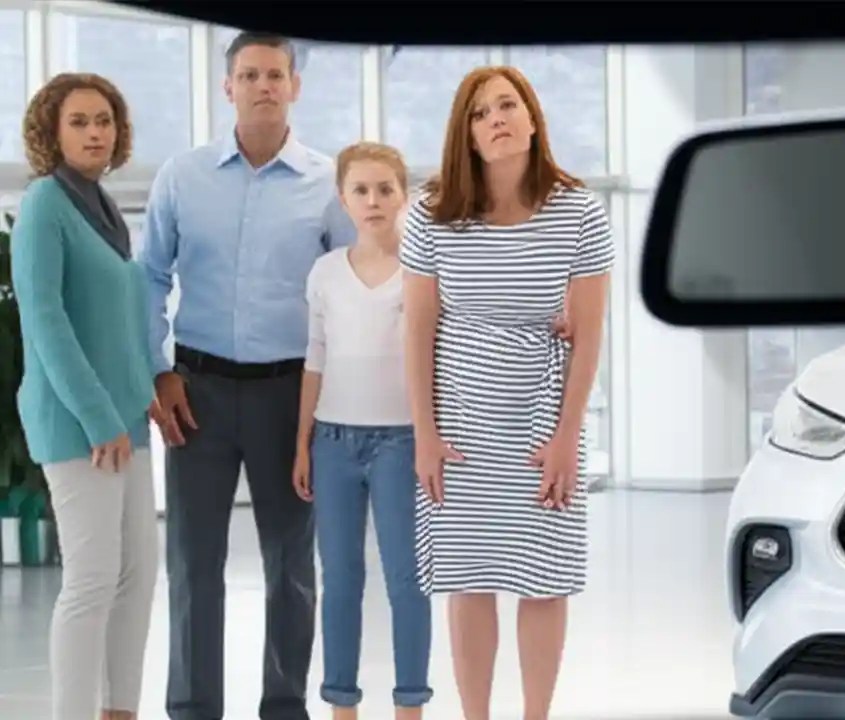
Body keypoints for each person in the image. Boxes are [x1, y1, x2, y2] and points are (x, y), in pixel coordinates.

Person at [139, 31, 357, 720]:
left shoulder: (330, 183)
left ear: (295, 86)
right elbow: (149, 277)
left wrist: (333, 402)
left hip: (290, 397)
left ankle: (283, 705)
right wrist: (157, 369)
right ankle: (193, 707)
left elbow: (350, 291)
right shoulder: (183, 174)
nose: (263, 85)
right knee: (192, 564)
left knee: (290, 565)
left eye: (275, 74)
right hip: (194, 392)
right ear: (228, 86)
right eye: (249, 74)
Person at [400, 65, 615, 720]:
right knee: (468, 581)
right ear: (464, 133)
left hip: (541, 427)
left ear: (531, 118)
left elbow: (587, 337)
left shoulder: (580, 211)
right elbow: (418, 333)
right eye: (479, 112)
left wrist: (565, 438)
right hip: (459, 430)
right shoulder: (432, 214)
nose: (496, 119)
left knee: (544, 580)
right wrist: (426, 436)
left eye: (507, 106)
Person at [10, 72, 159, 720]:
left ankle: (118, 710)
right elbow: (44, 320)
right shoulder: (45, 203)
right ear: (51, 132)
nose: (96, 132)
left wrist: (144, 394)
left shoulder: (101, 208)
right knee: (92, 581)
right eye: (80, 121)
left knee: (138, 577)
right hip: (78, 424)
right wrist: (99, 416)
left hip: (127, 419)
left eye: (104, 120)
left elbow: (117, 320)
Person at [290, 141, 433, 719]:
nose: (373, 201)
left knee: (407, 578)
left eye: (385, 189)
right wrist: (303, 441)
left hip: (402, 443)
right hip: (334, 444)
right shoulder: (325, 272)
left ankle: (410, 705)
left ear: (404, 195)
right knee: (341, 578)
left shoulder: (423, 271)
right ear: (342, 198)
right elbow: (314, 358)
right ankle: (341, 704)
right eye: (361, 190)